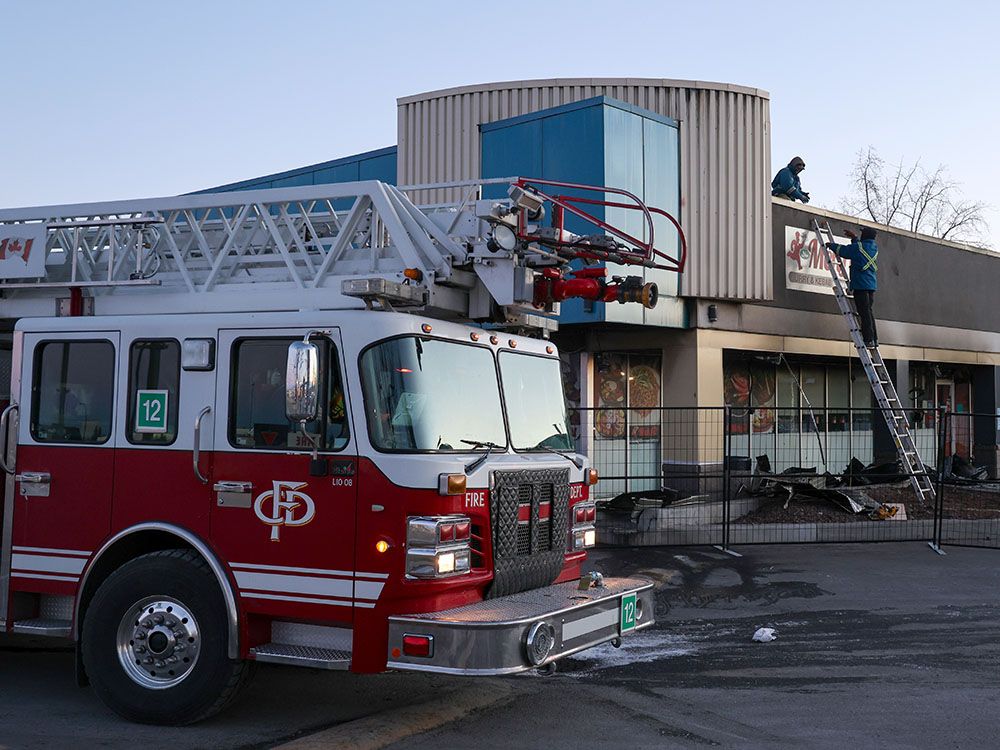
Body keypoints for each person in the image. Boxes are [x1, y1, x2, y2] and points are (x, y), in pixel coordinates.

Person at [827, 226, 879, 347]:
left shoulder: (859, 248)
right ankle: (874, 339)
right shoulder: (873, 247)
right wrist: (854, 238)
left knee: (864, 313)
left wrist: (831, 246)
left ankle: (868, 339)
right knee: (868, 312)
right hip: (870, 285)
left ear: (864, 235)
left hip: (860, 285)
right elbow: (860, 249)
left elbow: (844, 251)